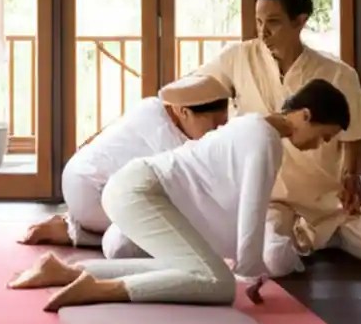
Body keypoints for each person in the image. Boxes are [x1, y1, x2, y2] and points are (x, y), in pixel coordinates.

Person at [7, 80, 350, 311]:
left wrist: (246, 264)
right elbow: (252, 210)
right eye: (324, 135)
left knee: (189, 268)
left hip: (135, 188)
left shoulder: (250, 127)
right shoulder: (264, 141)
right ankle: (99, 289)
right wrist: (251, 271)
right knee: (219, 285)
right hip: (140, 190)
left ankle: (63, 272)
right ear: (305, 116)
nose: (319, 145)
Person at [158, 0, 361, 276]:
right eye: (258, 22)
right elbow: (195, 89)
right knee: (273, 259)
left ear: (300, 21)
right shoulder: (238, 58)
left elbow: (356, 136)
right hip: (271, 196)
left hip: (325, 199)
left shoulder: (339, 73)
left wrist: (351, 177)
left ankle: (320, 235)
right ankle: (295, 236)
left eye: (273, 22)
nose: (263, 32)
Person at [20, 95, 229, 247]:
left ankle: (77, 224)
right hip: (92, 192)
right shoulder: (166, 136)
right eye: (214, 124)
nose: (219, 131)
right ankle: (72, 230)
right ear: (185, 112)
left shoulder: (153, 106)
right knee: (172, 235)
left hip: (78, 177)